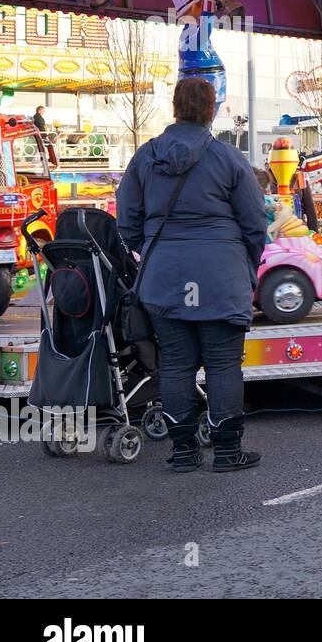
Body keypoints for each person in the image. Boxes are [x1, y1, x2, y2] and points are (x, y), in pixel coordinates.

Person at [116, 78, 267, 473]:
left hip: (164, 276)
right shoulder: (228, 158)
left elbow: (126, 222)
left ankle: (183, 450)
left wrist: (150, 248)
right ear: (211, 109)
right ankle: (227, 451)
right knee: (222, 364)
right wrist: (244, 264)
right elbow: (255, 224)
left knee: (175, 364)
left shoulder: (145, 157)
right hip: (220, 272)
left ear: (175, 106)